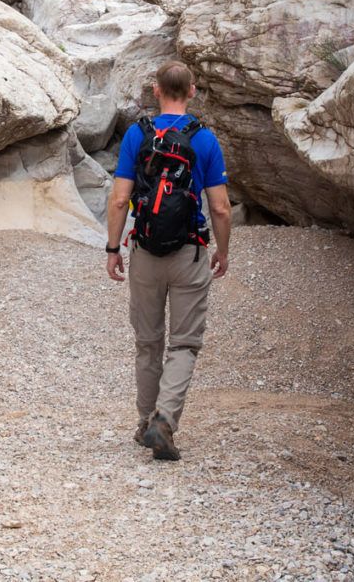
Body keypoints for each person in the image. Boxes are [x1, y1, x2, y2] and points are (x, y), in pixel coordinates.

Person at [105, 60, 231, 462]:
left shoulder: (136, 135)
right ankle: (164, 420)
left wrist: (113, 249)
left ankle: (145, 421)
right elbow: (222, 208)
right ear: (192, 91)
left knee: (147, 341)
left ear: (156, 90)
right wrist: (222, 251)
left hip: (144, 250)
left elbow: (120, 199)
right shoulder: (205, 139)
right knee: (184, 343)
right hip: (188, 251)